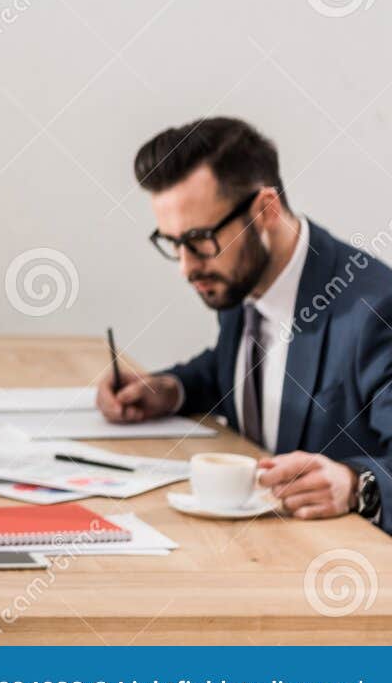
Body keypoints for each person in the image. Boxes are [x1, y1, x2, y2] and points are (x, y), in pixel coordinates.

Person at [97, 117, 392, 530]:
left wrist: (356, 485)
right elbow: (244, 367)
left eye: (199, 242)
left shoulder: (374, 311)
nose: (186, 268)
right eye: (173, 244)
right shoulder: (241, 282)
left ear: (265, 210)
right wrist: (173, 390)